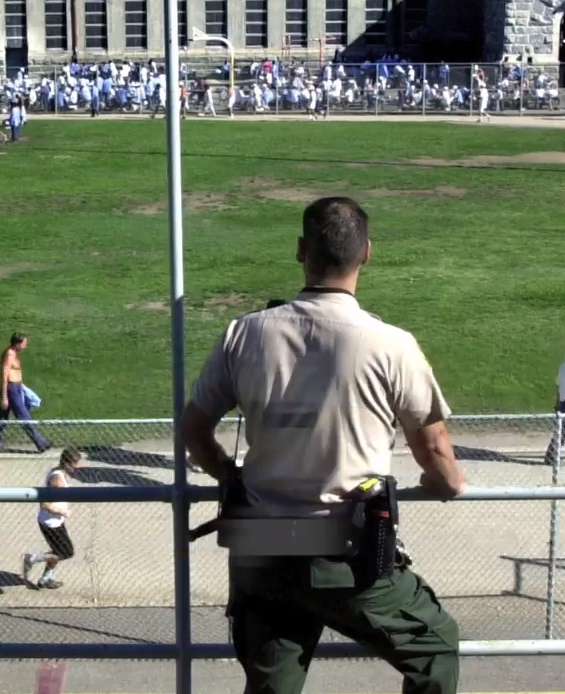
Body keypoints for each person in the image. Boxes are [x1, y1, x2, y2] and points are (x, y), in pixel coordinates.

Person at [180, 196, 466, 694]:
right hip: (346, 553)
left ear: (300, 251)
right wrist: (447, 483)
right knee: (435, 646)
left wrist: (228, 473)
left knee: (272, 687)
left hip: (261, 550)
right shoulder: (391, 344)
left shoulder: (244, 333)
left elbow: (193, 429)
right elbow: (436, 451)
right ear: (368, 254)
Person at [22, 446, 86, 590]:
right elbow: (44, 504)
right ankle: (32, 558)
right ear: (67, 463)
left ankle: (46, 579)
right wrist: (63, 512)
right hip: (50, 523)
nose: (76, 468)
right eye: (74, 464)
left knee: (57, 551)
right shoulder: (57, 479)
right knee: (67, 552)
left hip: (55, 521)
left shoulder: (58, 472)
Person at [0, 332, 51, 453]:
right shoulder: (9, 354)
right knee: (24, 416)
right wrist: (5, 397)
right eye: (24, 344)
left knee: (2, 417)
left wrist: (22, 386)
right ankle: (41, 443)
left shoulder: (14, 353)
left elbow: (15, 373)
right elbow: (5, 375)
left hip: (16, 388)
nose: (25, 346)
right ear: (17, 343)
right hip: (11, 390)